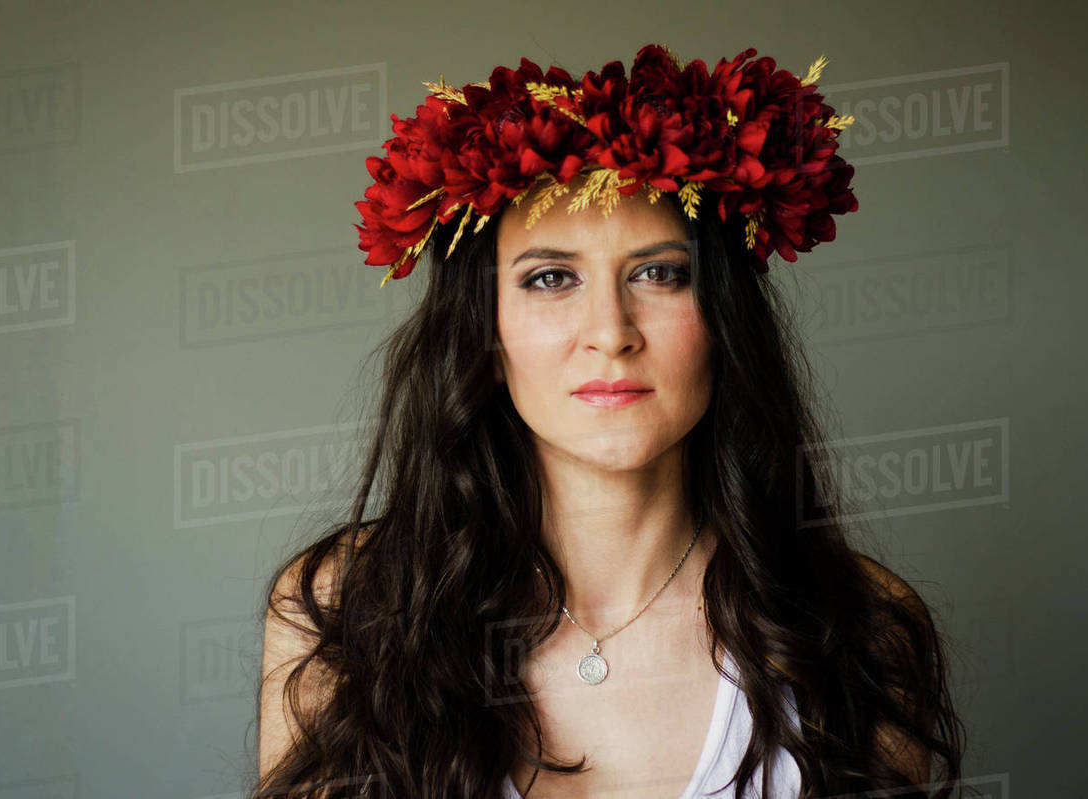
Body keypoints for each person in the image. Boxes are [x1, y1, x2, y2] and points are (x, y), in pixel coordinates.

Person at [250, 44, 966, 799]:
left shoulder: (864, 630)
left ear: (724, 322)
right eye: (550, 278)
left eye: (659, 273)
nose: (611, 332)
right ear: (486, 336)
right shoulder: (342, 610)